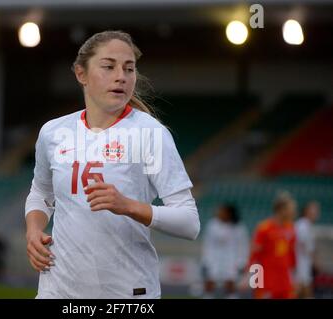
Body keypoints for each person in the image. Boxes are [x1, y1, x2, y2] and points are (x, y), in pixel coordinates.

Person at [24, 30, 200, 298]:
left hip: (127, 292)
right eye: (109, 66)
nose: (121, 76)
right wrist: (34, 230)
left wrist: (128, 206)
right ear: (81, 74)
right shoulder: (53, 132)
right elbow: (41, 193)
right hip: (57, 290)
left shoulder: (150, 133)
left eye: (129, 69)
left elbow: (189, 223)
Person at [248, 192, 297, 299]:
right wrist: (251, 275)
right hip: (266, 278)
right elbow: (254, 253)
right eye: (291, 209)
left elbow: (291, 253)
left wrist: (294, 274)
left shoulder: (291, 228)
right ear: (281, 209)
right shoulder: (264, 228)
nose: (293, 212)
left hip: (284, 279)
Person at [201, 204, 249, 298]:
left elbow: (243, 246)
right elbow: (207, 243)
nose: (219, 213)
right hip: (214, 258)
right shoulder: (213, 225)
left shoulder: (239, 227)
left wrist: (242, 262)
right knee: (210, 282)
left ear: (229, 214)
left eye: (222, 211)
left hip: (231, 259)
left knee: (230, 284)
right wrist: (205, 259)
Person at [295, 201, 320, 298]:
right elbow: (307, 248)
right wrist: (315, 262)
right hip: (301, 266)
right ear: (306, 211)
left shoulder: (306, 225)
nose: (316, 212)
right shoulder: (303, 225)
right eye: (313, 209)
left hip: (303, 266)